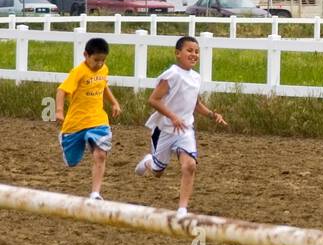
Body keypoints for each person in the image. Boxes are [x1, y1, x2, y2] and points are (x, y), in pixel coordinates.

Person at [134, 35, 227, 218]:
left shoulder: (196, 77)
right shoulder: (172, 75)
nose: (194, 54)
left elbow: (195, 103)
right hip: (165, 130)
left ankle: (182, 209)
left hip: (185, 130)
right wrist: (172, 116)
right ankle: (148, 162)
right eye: (189, 50)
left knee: (190, 165)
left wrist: (212, 115)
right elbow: (153, 100)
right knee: (157, 171)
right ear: (178, 53)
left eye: (197, 51)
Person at [55, 37, 121, 200]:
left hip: (98, 120)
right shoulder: (78, 72)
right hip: (76, 123)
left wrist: (114, 103)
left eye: (103, 60)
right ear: (86, 55)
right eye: (96, 60)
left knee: (100, 154)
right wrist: (58, 111)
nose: (99, 64)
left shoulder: (103, 69)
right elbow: (61, 91)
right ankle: (66, 140)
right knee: (72, 162)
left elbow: (103, 86)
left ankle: (95, 193)